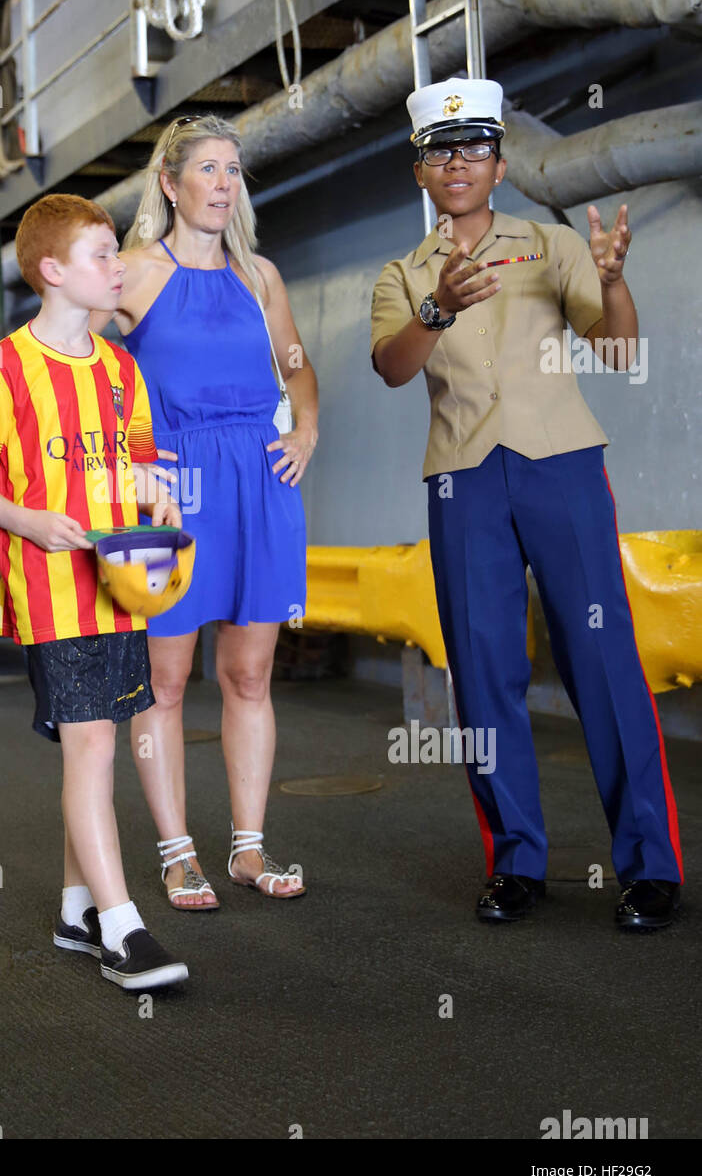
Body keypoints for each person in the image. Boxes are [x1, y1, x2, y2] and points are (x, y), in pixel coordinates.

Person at [370, 76, 682, 929]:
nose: (458, 163)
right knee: (482, 672)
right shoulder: (402, 275)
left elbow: (618, 355)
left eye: (474, 148)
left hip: (563, 467)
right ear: (421, 172)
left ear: (500, 165)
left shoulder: (553, 247)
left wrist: (614, 281)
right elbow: (394, 368)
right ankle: (517, 861)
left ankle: (649, 866)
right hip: (463, 478)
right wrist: (437, 306)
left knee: (605, 664)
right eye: (442, 151)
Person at [0, 193, 189, 989]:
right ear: (53, 271)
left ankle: (76, 909)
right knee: (94, 745)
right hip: (52, 592)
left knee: (98, 743)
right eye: (102, 255)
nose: (118, 266)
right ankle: (124, 930)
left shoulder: (120, 367)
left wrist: (159, 495)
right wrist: (26, 520)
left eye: (117, 253)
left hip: (123, 588)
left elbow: (144, 459)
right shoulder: (5, 367)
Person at [98, 114, 319, 910]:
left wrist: (309, 427)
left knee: (250, 672)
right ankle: (176, 850)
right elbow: (75, 363)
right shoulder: (130, 273)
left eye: (234, 171)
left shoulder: (260, 275)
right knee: (165, 677)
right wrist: (123, 462)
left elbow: (296, 365)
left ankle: (249, 850)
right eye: (209, 170)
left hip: (259, 479)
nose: (225, 184)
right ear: (170, 182)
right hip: (170, 486)